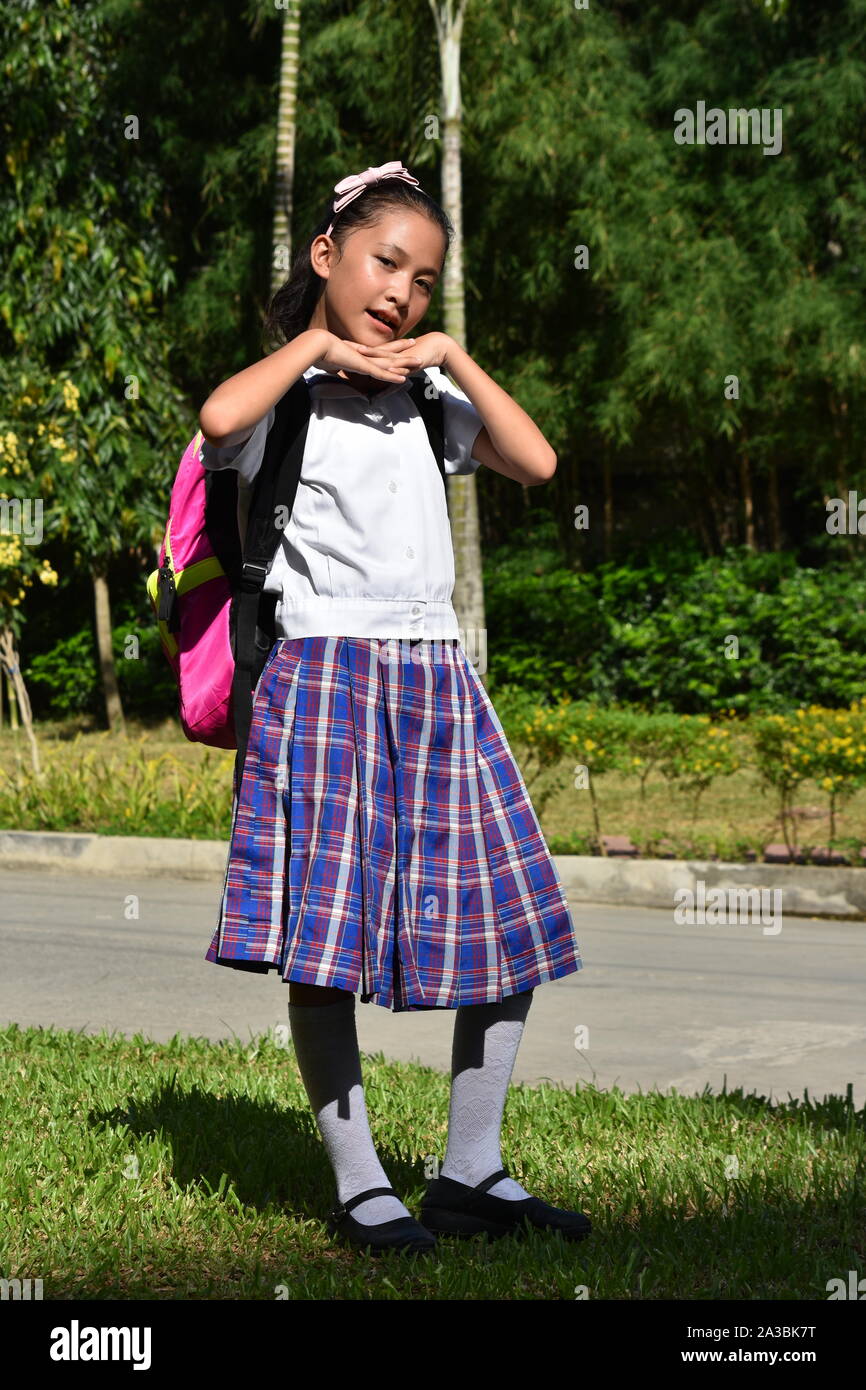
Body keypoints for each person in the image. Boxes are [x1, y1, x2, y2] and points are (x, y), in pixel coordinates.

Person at [198, 160, 590, 1256]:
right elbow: (217, 415)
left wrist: (450, 354)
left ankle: (471, 1172)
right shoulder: (286, 395)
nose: (401, 293)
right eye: (384, 263)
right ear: (326, 254)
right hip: (325, 676)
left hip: (434, 675)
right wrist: (316, 349)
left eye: (423, 281)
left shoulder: (426, 398)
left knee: (507, 917)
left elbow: (536, 461)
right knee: (325, 942)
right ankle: (361, 1184)